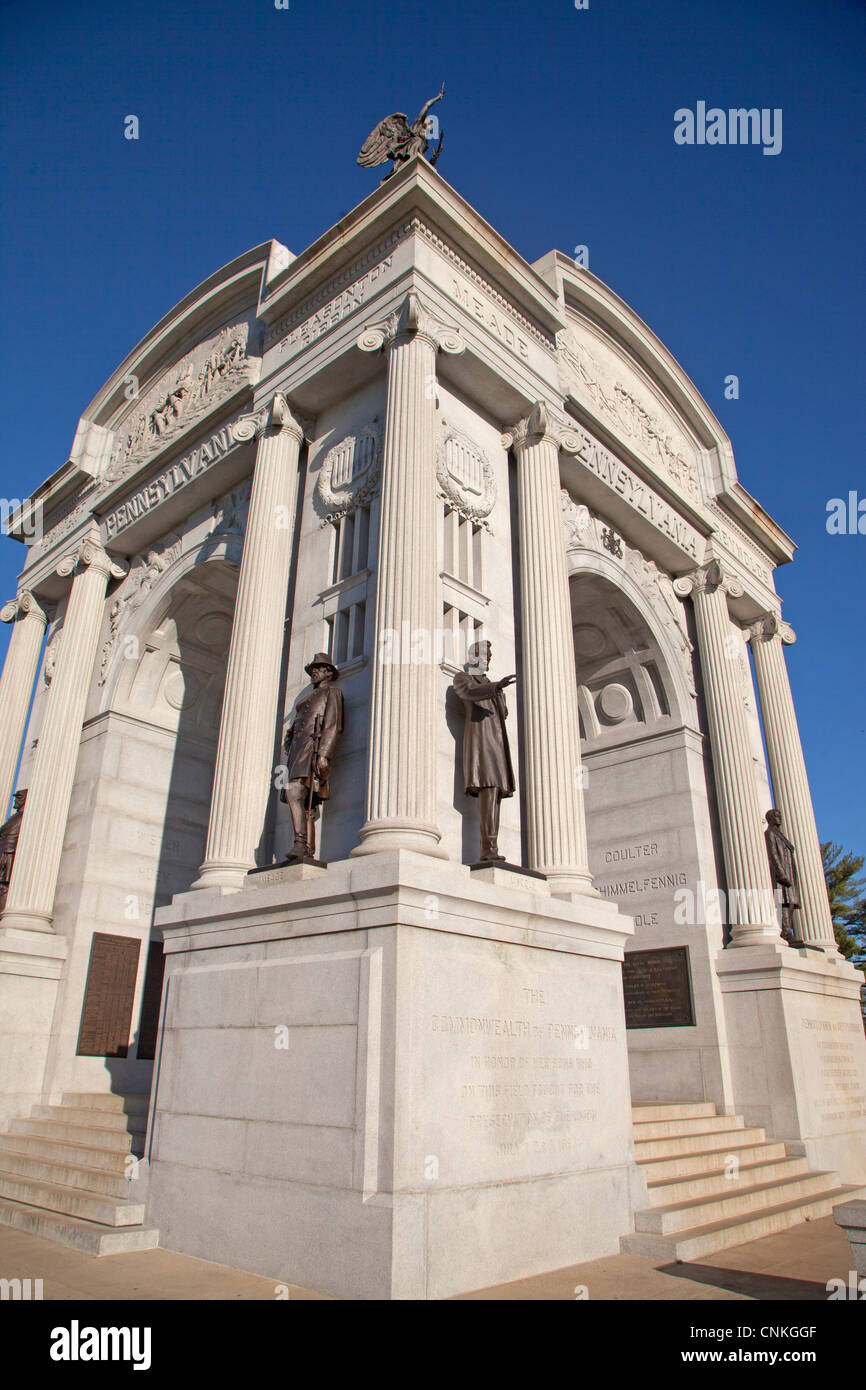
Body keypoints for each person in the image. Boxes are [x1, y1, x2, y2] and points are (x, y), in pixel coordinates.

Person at [453, 641, 515, 863]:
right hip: (481, 744)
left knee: (496, 792)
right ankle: (488, 849)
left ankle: (492, 847)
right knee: (489, 790)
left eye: (489, 655)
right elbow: (469, 692)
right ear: (473, 657)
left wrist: (498, 691)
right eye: (484, 654)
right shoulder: (464, 679)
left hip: (497, 745)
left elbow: (503, 713)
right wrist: (496, 687)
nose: (488, 658)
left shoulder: (492, 685)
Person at [280, 655, 343, 861]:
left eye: (318, 669)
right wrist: (290, 745)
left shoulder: (332, 693)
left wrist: (324, 754)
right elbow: (292, 730)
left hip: (314, 750)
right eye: (312, 669)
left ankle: (301, 843)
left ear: (328, 672)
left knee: (298, 794)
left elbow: (333, 725)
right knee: (300, 797)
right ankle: (305, 847)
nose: (314, 673)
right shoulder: (304, 701)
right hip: (299, 752)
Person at [764, 808, 801, 945]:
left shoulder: (780, 834)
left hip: (789, 871)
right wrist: (781, 873)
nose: (779, 817)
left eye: (779, 815)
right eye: (776, 815)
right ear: (770, 818)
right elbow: (773, 853)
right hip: (781, 874)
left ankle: (788, 931)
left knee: (791, 902)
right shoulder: (770, 833)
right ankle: (786, 933)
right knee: (785, 902)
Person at [0, 789, 27, 911]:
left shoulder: (23, 817)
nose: (15, 801)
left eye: (18, 798)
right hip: (4, 852)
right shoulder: (15, 816)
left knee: (4, 886)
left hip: (8, 854)